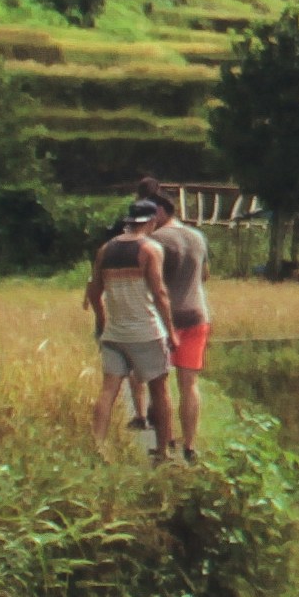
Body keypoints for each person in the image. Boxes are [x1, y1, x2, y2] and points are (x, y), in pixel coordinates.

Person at [84, 219, 176, 460]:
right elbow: (160, 293)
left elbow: (94, 290)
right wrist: (171, 331)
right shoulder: (150, 249)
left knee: (108, 391)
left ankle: (97, 447)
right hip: (146, 333)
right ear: (151, 222)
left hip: (115, 333)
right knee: (160, 391)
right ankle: (163, 452)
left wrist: (103, 322)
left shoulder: (105, 250)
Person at [136, 181, 212, 456]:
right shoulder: (198, 237)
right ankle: (190, 445)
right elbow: (205, 276)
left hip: (165, 319)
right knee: (189, 384)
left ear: (158, 212)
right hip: (197, 316)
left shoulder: (155, 242)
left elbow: (151, 283)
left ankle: (165, 441)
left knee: (161, 383)